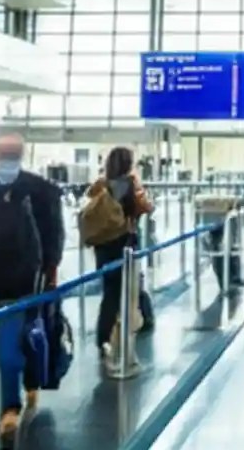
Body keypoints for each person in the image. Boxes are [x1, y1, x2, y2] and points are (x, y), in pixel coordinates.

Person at [0, 132, 64, 441]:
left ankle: (12, 405)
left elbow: (53, 233)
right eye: (0, 155)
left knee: (12, 346)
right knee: (0, 345)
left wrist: (51, 270)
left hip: (26, 281)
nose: (3, 162)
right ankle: (13, 400)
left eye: (8, 156)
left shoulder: (39, 190)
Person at [87, 146, 154, 363]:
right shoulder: (129, 186)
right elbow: (145, 207)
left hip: (103, 246)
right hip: (125, 243)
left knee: (110, 292)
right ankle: (138, 323)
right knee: (131, 287)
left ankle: (103, 337)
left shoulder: (100, 186)